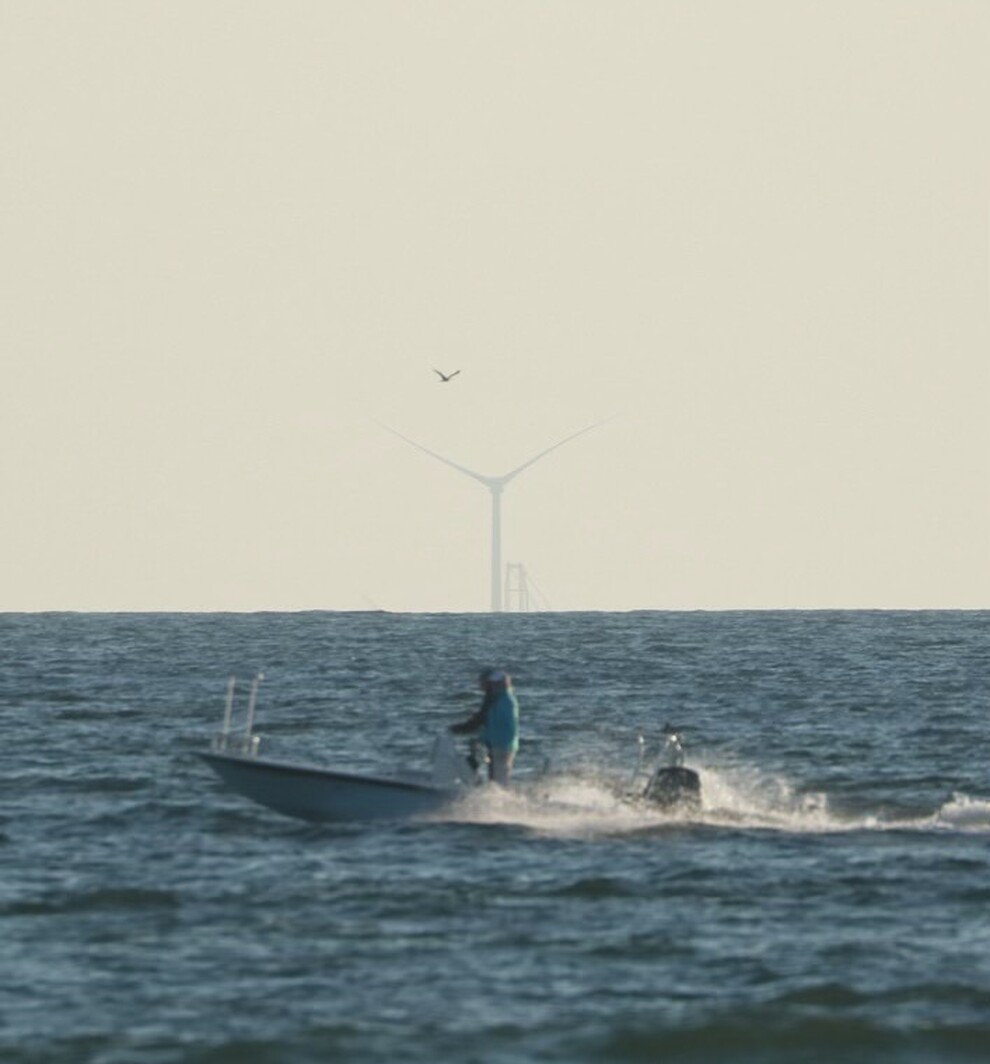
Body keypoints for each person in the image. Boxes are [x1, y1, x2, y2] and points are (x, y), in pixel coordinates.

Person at [450, 668, 520, 784]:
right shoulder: (497, 698)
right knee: (494, 776)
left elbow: (493, 722)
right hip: (496, 744)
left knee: (499, 781)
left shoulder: (504, 700)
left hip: (502, 746)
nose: (485, 686)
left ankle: (500, 799)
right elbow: (488, 721)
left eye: (489, 683)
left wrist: (466, 728)